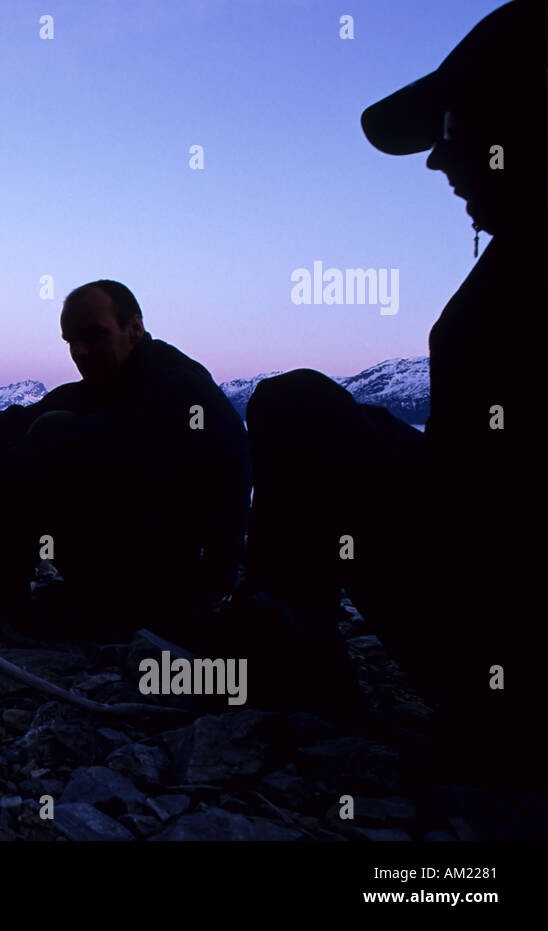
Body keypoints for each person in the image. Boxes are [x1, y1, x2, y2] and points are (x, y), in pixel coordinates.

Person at [244, 0, 546, 800]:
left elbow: (485, 529)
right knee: (355, 421)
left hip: (506, 684)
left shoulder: (505, 303)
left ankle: (295, 645)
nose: (437, 164)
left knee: (292, 406)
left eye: (452, 130)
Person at [0, 279, 251, 642]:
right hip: (132, 556)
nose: (81, 351)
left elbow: (72, 448)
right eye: (72, 341)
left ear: (134, 328)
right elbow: (4, 427)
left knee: (50, 437)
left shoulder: (174, 388)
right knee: (42, 432)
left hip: (174, 587)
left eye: (94, 335)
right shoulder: (109, 382)